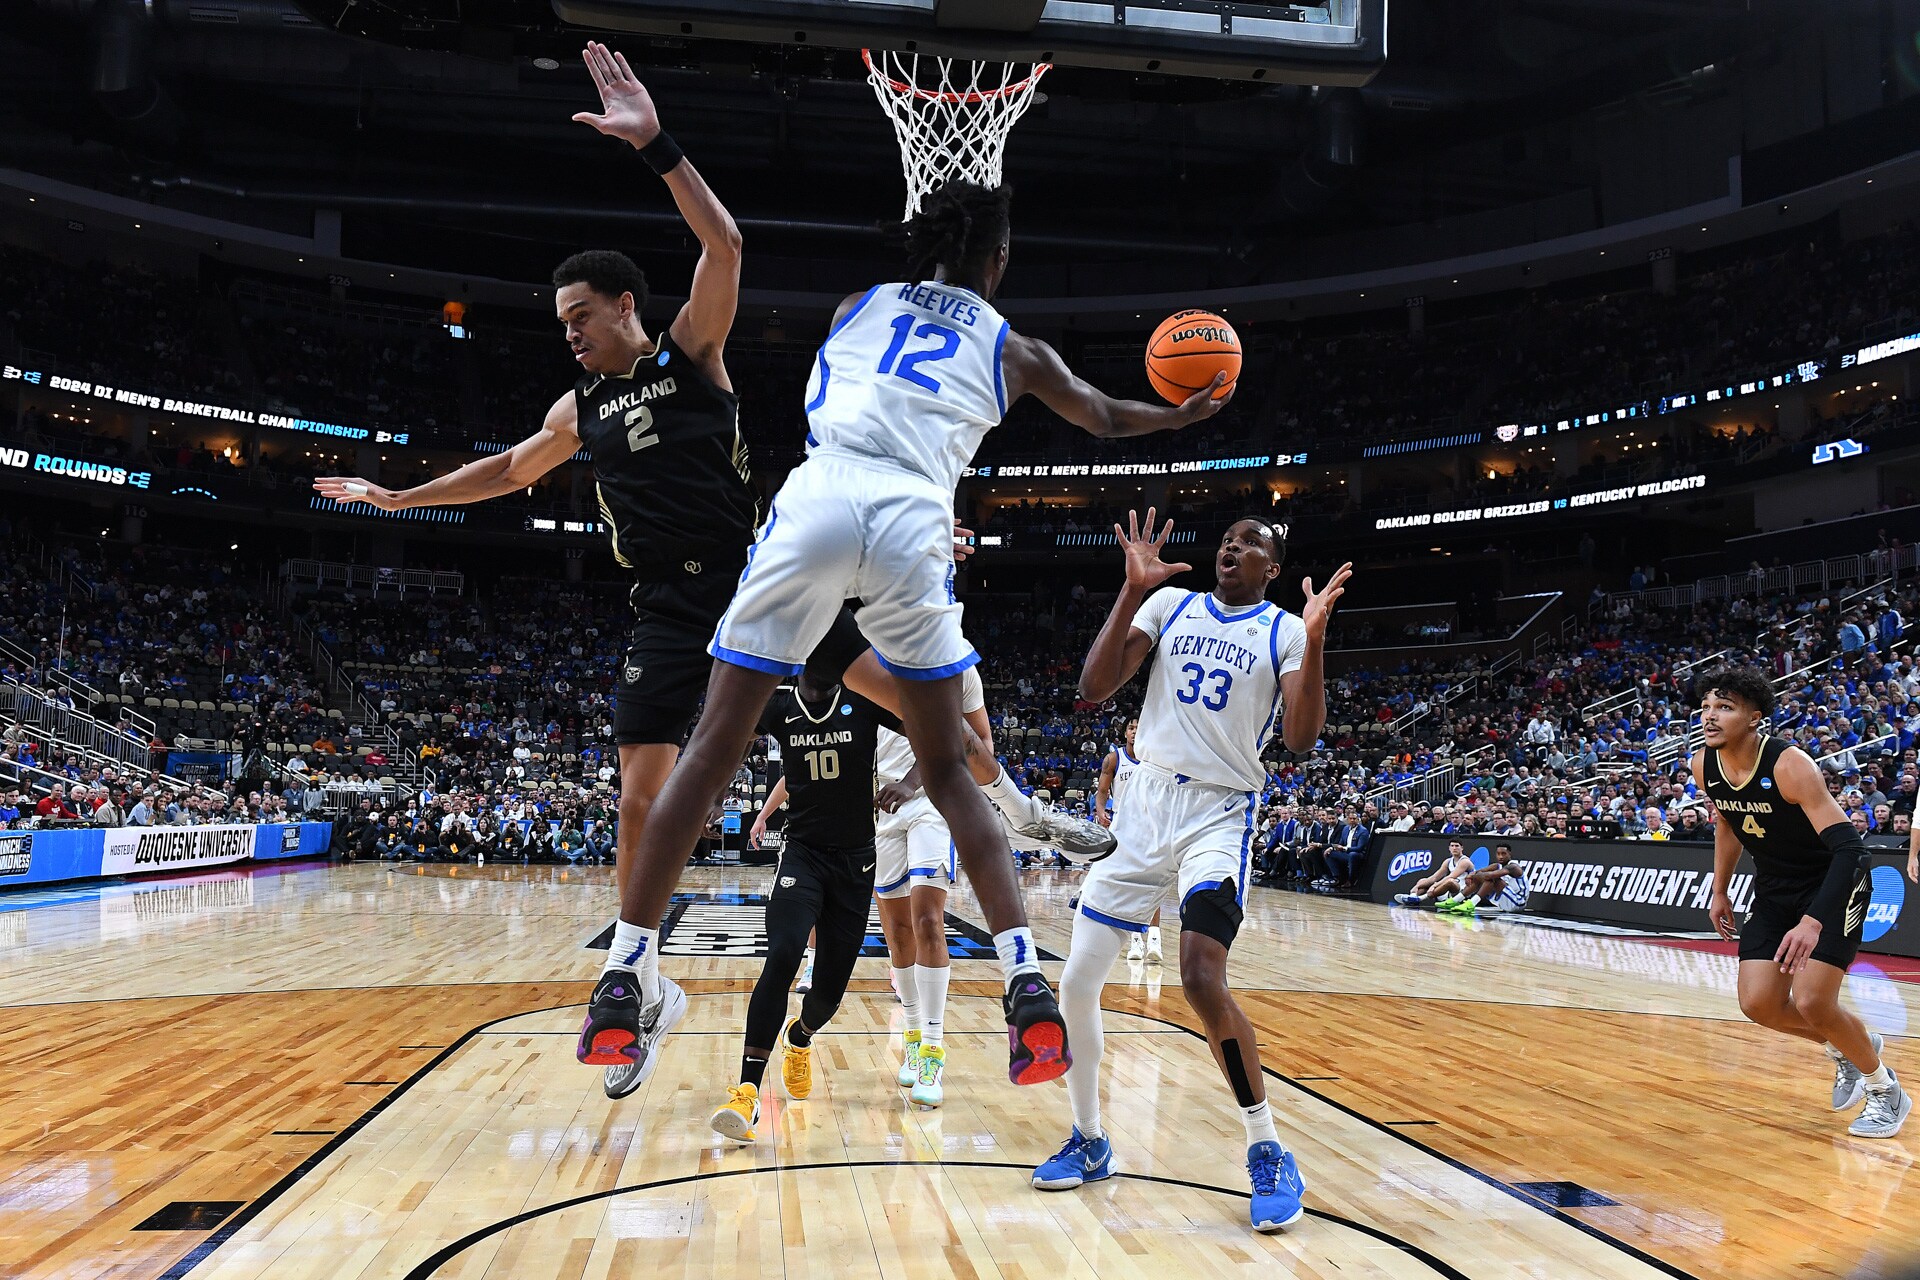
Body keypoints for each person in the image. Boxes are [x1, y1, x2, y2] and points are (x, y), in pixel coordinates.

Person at [575, 179, 1228, 1088]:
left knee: (716, 741)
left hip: (823, 493)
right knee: (952, 771)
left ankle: (625, 969)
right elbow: (1107, 416)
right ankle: (1024, 982)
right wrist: (1181, 416)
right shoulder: (1016, 346)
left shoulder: (858, 304)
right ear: (997, 262)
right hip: (918, 512)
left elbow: (830, 387)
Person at [315, 42, 756, 1100]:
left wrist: (657, 147)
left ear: (622, 306)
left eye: (579, 320)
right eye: (560, 327)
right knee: (639, 791)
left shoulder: (691, 352)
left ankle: (1011, 800)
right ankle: (636, 973)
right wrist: (399, 499)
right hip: (663, 603)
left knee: (901, 690)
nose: (568, 337)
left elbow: (727, 240)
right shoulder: (581, 409)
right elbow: (508, 467)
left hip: (753, 581)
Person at [1033, 512, 1348, 1232]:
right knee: (1077, 982)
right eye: (1229, 540)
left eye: (1253, 546)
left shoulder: (1285, 632)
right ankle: (1088, 1141)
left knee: (1201, 975)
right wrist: (1129, 591)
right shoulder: (1168, 604)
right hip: (1143, 809)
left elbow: (1300, 737)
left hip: (1216, 815)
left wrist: (1319, 637)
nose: (1234, 548)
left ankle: (1267, 1149)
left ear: (1273, 569)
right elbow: (1094, 685)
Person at [1695, 666, 1908, 1139]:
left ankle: (1885, 1089)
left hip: (1834, 885)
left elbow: (1852, 850)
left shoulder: (1789, 765)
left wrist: (1813, 921)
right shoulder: (1703, 764)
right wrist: (1720, 889)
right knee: (1759, 1003)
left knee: (1812, 1000)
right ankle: (1850, 1047)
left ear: (1754, 718)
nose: (1710, 716)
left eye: (1724, 708)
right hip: (1775, 888)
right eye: (1707, 706)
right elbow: (1728, 824)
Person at [709, 661, 897, 1141]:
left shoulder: (868, 700)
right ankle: (747, 1092)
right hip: (803, 855)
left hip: (856, 862)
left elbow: (935, 729)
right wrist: (714, 796)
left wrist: (912, 783)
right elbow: (727, 737)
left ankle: (801, 1036)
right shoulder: (777, 707)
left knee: (828, 994)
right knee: (784, 954)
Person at [1094, 720, 1160, 961]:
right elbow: (1102, 791)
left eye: (1140, 728)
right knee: (1128, 885)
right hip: (1123, 826)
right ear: (1125, 733)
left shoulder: (1155, 758)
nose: (1135, 732)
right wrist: (1100, 810)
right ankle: (1134, 941)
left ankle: (1154, 941)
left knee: (1152, 884)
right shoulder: (1114, 759)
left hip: (1151, 825)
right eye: (1132, 728)